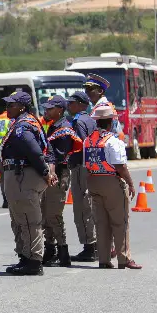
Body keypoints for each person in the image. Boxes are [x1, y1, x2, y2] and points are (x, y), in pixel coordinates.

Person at [0, 89, 55, 276]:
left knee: (28, 220)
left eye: (11, 104)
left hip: (24, 176)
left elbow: (34, 151)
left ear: (22, 107)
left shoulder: (23, 127)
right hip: (19, 176)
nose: (7, 107)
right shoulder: (23, 123)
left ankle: (34, 261)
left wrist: (45, 171)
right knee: (20, 219)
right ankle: (25, 257)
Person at [83, 104, 140, 270]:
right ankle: (124, 259)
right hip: (111, 182)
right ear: (110, 122)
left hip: (93, 180)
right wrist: (130, 183)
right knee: (119, 222)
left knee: (101, 223)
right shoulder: (113, 141)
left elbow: (86, 164)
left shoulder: (88, 141)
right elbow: (120, 166)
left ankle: (104, 259)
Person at [40, 95, 81, 268]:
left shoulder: (63, 129)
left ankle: (62, 251)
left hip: (58, 174)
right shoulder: (54, 126)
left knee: (53, 214)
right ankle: (50, 249)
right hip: (51, 174)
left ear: (60, 110)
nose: (46, 111)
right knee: (45, 213)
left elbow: (57, 155)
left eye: (50, 109)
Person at [66, 93, 99, 263]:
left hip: (81, 168)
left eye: (71, 103)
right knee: (92, 207)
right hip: (93, 167)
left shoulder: (78, 122)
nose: (69, 106)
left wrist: (71, 160)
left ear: (80, 104)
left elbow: (80, 147)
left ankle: (89, 248)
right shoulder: (92, 120)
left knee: (82, 208)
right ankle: (97, 245)